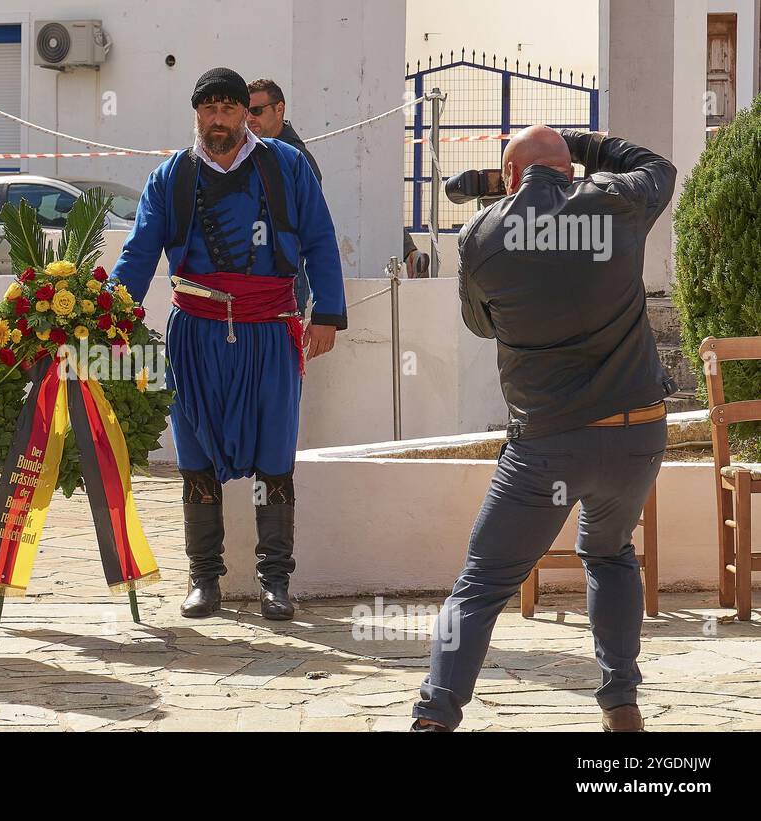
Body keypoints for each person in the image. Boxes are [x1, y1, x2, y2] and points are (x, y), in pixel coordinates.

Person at [410, 126, 678, 732]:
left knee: (481, 584)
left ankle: (435, 715)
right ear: (570, 169)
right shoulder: (615, 202)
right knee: (610, 554)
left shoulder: (483, 233)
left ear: (508, 179)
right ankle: (621, 705)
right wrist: (584, 144)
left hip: (548, 446)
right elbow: (658, 163)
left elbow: (481, 324)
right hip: (637, 432)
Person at [113, 68, 346, 621]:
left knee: (274, 451)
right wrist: (110, 317)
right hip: (194, 333)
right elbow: (140, 251)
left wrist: (328, 314)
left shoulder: (287, 167)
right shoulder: (170, 176)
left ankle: (275, 580)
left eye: (228, 109)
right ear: (196, 114)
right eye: (207, 110)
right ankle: (204, 578)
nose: (217, 120)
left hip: (270, 331)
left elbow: (319, 239)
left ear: (247, 113)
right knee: (194, 450)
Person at [246, 78, 323, 314]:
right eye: (246, 111)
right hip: (252, 281)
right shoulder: (251, 151)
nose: (250, 118)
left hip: (285, 282)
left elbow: (315, 230)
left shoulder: (298, 159)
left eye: (257, 111)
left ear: (279, 109)